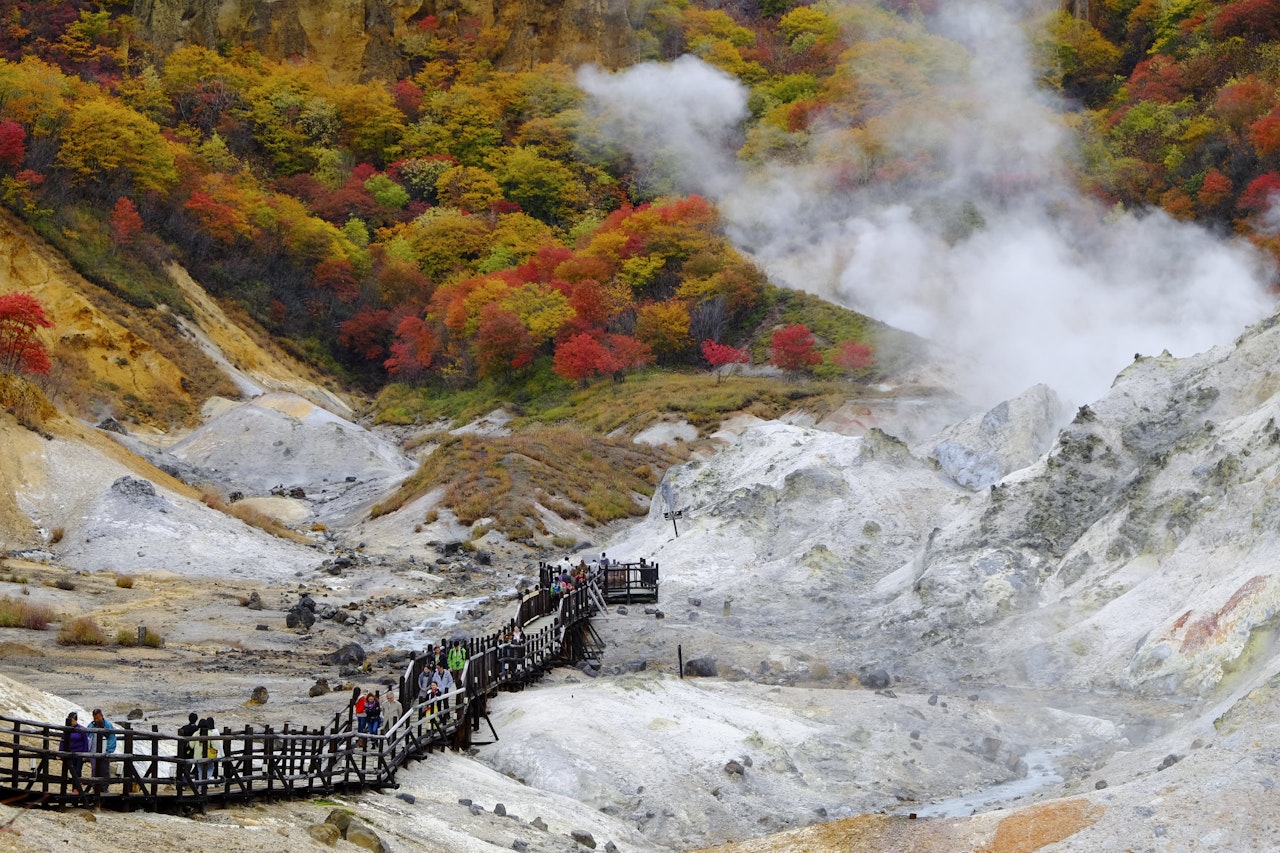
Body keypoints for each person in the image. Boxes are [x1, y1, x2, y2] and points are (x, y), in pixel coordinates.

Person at [87, 708, 117, 795]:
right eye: (94, 718)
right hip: (93, 752)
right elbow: (88, 736)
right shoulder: (91, 725)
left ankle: (104, 788)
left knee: (105, 770)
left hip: (104, 752)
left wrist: (109, 750)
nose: (96, 720)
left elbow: (112, 738)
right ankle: (94, 787)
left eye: (97, 718)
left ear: (101, 716)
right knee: (94, 769)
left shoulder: (108, 725)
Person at [59, 711, 89, 795]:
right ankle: (72, 787)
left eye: (72, 721)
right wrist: (60, 752)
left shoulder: (81, 729)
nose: (71, 722)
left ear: (75, 720)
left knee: (78, 770)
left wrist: (85, 754)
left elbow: (86, 742)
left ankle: (76, 789)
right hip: (69, 753)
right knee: (71, 770)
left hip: (79, 753)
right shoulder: (67, 730)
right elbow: (62, 741)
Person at [177, 712, 200, 786]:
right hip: (196, 750)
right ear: (196, 719)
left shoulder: (184, 728)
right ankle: (197, 783)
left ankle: (184, 783)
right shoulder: (198, 729)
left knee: (186, 768)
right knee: (197, 767)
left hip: (186, 750)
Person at [196, 716, 217, 784]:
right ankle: (205, 781)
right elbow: (215, 746)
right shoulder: (210, 733)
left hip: (197, 756)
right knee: (211, 768)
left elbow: (191, 745)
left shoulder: (196, 734)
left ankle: (200, 785)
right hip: (207, 756)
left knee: (200, 770)